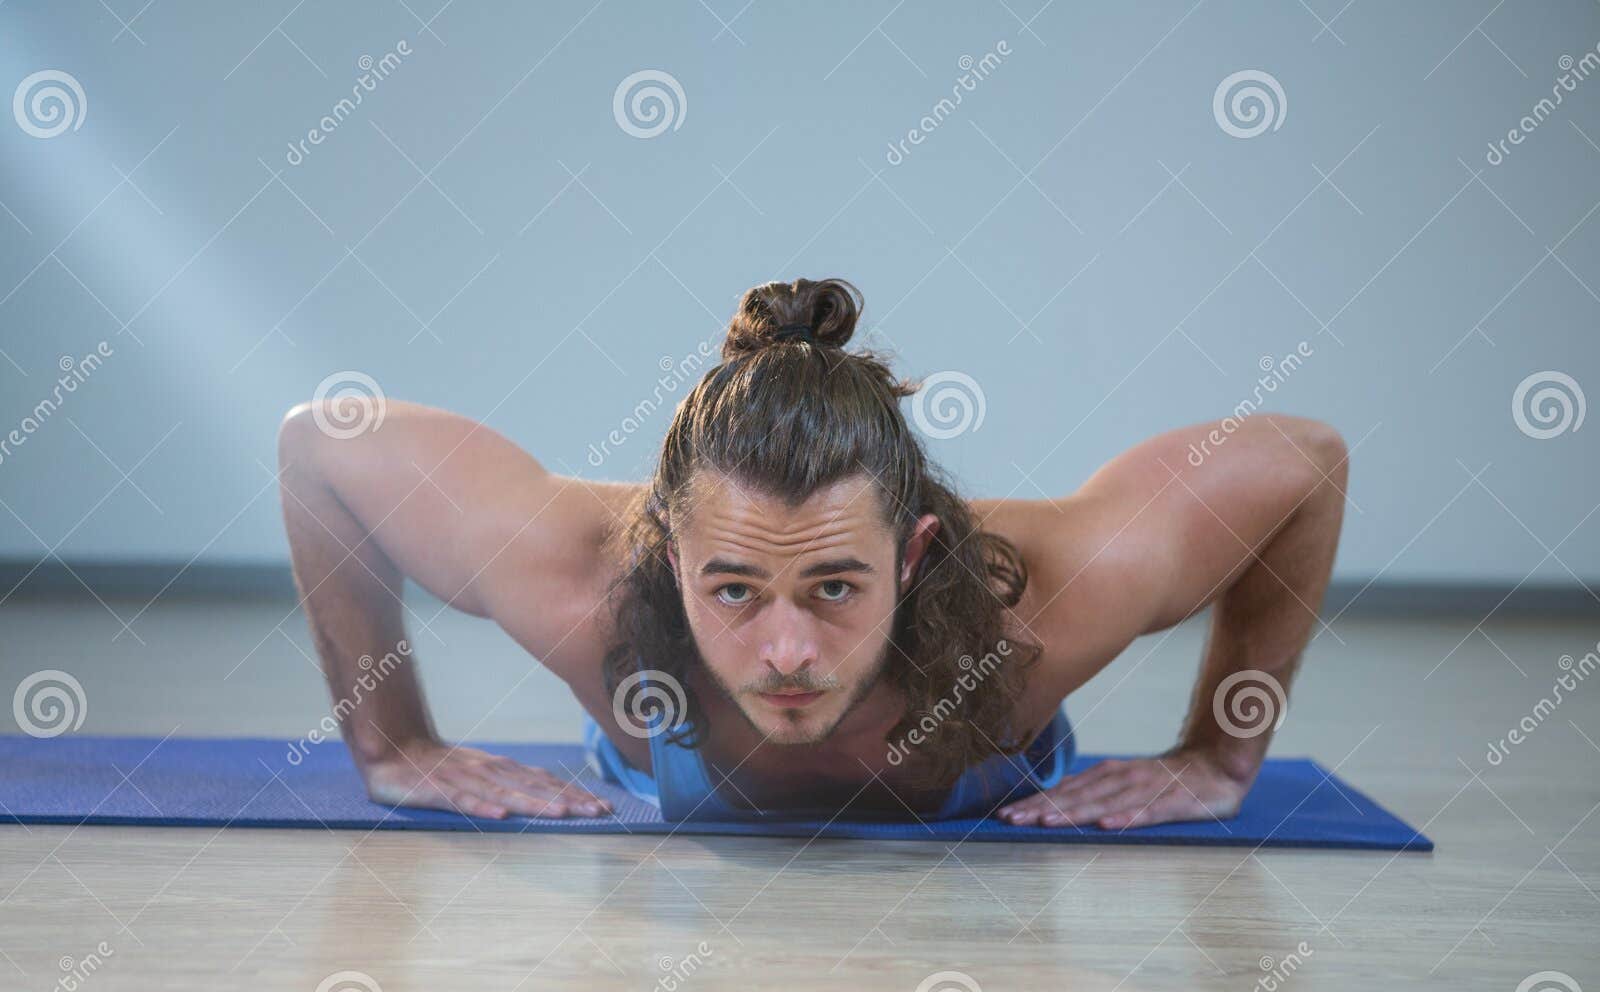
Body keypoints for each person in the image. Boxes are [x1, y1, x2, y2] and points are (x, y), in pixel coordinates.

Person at [276, 277, 1348, 829]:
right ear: (666, 552)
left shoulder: (1041, 608)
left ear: (917, 553)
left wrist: (1218, 756)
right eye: (733, 588)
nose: (786, 649)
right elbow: (319, 445)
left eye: (834, 585)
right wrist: (393, 745)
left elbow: (1303, 461)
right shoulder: (577, 580)